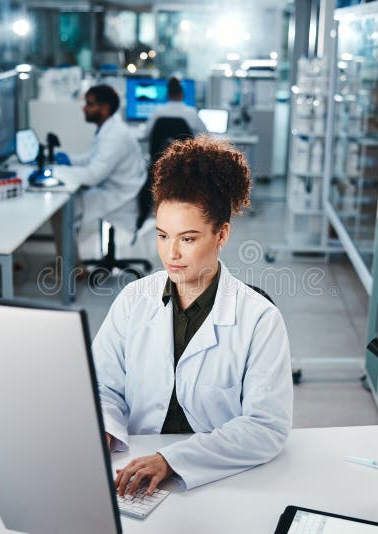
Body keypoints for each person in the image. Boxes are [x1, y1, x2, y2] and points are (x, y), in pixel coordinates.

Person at [91, 137, 293, 497]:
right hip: (132, 469)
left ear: (221, 235)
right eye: (162, 235)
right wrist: (105, 425)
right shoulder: (133, 300)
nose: (171, 253)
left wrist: (171, 460)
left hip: (217, 478)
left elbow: (266, 427)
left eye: (188, 239)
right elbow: (103, 384)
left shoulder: (259, 319)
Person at [51, 85, 147, 264]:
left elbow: (94, 175)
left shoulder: (114, 135)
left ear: (105, 108)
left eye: (89, 104)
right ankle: (71, 261)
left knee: (62, 210)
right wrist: (69, 161)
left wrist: (58, 173)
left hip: (120, 196)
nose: (84, 107)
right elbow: (93, 157)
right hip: (115, 188)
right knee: (69, 203)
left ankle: (68, 265)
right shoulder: (109, 127)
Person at [142, 77, 208, 139]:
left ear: (168, 95)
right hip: (183, 151)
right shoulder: (191, 113)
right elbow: (206, 136)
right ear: (182, 94)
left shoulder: (158, 112)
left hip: (162, 151)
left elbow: (146, 134)